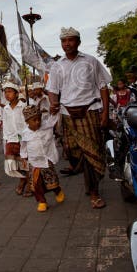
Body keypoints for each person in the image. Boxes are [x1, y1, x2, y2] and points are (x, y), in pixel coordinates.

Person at [46, 27, 112, 209]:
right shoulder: (57, 66)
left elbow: (103, 87)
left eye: (70, 40)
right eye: (64, 41)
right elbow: (52, 90)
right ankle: (89, 181)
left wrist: (105, 113)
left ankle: (94, 192)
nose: (67, 44)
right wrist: (53, 102)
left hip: (90, 111)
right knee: (74, 153)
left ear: (78, 42)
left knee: (92, 153)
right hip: (68, 114)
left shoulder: (91, 61)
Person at [20, 105, 65, 212]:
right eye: (34, 120)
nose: (37, 122)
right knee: (36, 184)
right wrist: (23, 158)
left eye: (38, 119)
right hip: (34, 163)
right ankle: (42, 201)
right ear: (27, 121)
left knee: (51, 181)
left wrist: (54, 110)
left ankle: (57, 191)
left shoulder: (46, 126)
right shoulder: (25, 133)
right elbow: (23, 146)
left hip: (46, 160)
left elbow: (53, 118)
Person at [1, 80, 28, 196]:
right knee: (12, 164)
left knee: (25, 162)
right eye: (5, 92)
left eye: (10, 92)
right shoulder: (5, 109)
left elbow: (27, 122)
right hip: (11, 139)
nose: (7, 94)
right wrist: (6, 140)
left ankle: (26, 183)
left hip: (24, 138)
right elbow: (5, 125)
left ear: (16, 93)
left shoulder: (24, 106)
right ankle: (24, 179)